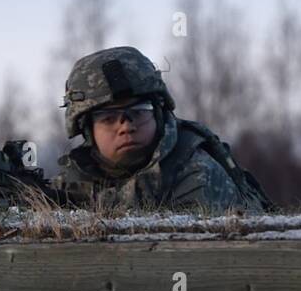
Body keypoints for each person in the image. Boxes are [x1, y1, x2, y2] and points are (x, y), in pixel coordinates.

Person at [53, 46, 271, 213]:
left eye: (138, 111)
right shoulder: (74, 179)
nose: (126, 126)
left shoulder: (198, 172)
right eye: (109, 118)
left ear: (158, 113)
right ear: (88, 130)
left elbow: (164, 249)